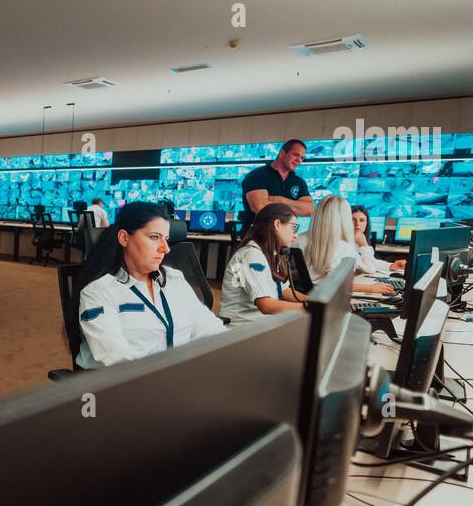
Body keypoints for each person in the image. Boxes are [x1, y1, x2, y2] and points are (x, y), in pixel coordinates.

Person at [71, 201, 224, 368]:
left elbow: (209, 329)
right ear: (124, 238)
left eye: (166, 239)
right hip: (126, 385)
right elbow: (116, 358)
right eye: (154, 237)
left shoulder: (174, 280)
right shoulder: (99, 291)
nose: (165, 249)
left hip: (176, 378)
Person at [219, 203, 307, 323]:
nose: (295, 235)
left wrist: (313, 301)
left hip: (261, 323)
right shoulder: (252, 256)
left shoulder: (269, 253)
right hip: (242, 328)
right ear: (277, 224)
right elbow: (266, 305)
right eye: (294, 228)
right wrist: (309, 308)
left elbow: (283, 290)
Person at [299, 196, 394, 296]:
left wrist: (390, 266)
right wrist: (371, 288)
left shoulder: (297, 239)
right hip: (326, 300)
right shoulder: (343, 247)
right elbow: (369, 268)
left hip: (298, 298)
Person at [240, 139, 314, 225]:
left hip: (285, 235)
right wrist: (295, 207)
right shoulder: (257, 176)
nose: (299, 160)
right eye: (295, 155)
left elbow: (310, 210)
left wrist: (280, 200)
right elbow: (260, 207)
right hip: (257, 235)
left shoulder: (299, 182)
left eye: (302, 157)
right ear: (282, 153)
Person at [350, 204, 405, 274]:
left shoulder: (357, 240)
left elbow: (370, 261)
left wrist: (391, 266)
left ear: (367, 223)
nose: (357, 224)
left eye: (362, 220)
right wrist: (364, 245)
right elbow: (369, 269)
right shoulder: (344, 244)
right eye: (353, 220)